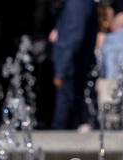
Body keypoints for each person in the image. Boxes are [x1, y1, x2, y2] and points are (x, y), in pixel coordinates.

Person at [51, 0, 98, 130]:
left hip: (71, 72)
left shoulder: (77, 3)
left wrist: (61, 71)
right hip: (73, 69)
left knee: (63, 122)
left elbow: (74, 38)